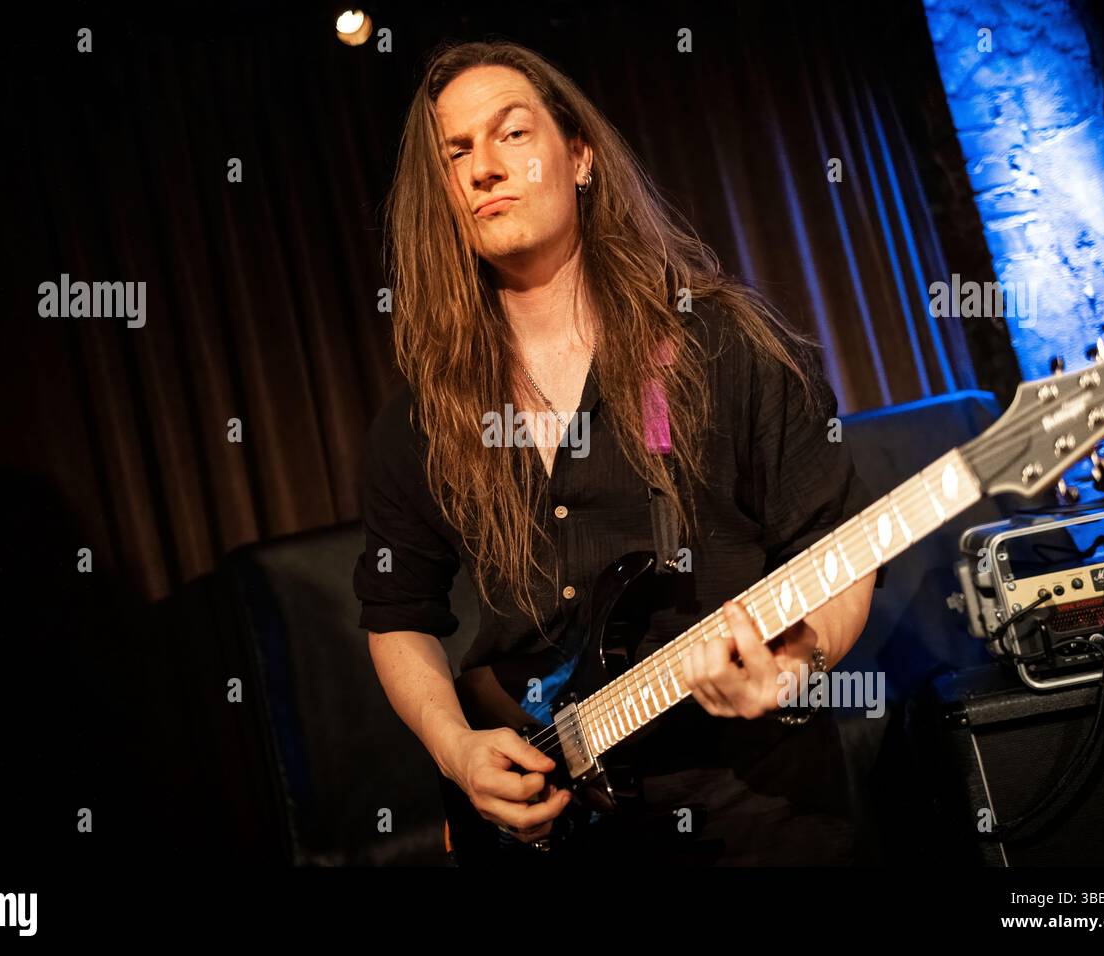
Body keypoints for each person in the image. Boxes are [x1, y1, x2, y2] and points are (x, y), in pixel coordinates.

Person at [353, 39, 877, 864]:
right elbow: (397, 619)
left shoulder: (725, 344)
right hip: (560, 827)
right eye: (456, 153)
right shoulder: (419, 423)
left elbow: (836, 546)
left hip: (756, 809)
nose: (484, 167)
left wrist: (791, 670)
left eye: (512, 134)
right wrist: (456, 749)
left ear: (581, 155)